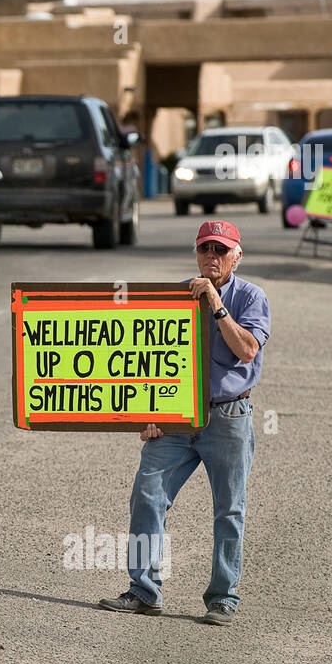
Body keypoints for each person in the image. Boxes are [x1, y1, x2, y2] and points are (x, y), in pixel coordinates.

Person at [99, 220, 270, 625]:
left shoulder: (250, 297)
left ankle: (223, 598)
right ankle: (143, 590)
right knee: (147, 495)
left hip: (228, 415)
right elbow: (147, 357)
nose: (212, 257)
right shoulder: (175, 295)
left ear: (237, 256)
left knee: (229, 510)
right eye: (205, 249)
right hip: (176, 418)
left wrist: (216, 301)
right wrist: (148, 413)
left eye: (221, 250)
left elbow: (246, 350)